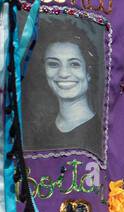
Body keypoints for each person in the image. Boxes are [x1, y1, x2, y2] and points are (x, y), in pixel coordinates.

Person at [25, 14, 103, 156]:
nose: (63, 73)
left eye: (74, 64)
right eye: (53, 64)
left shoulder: (101, 134)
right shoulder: (41, 134)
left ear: (89, 72)